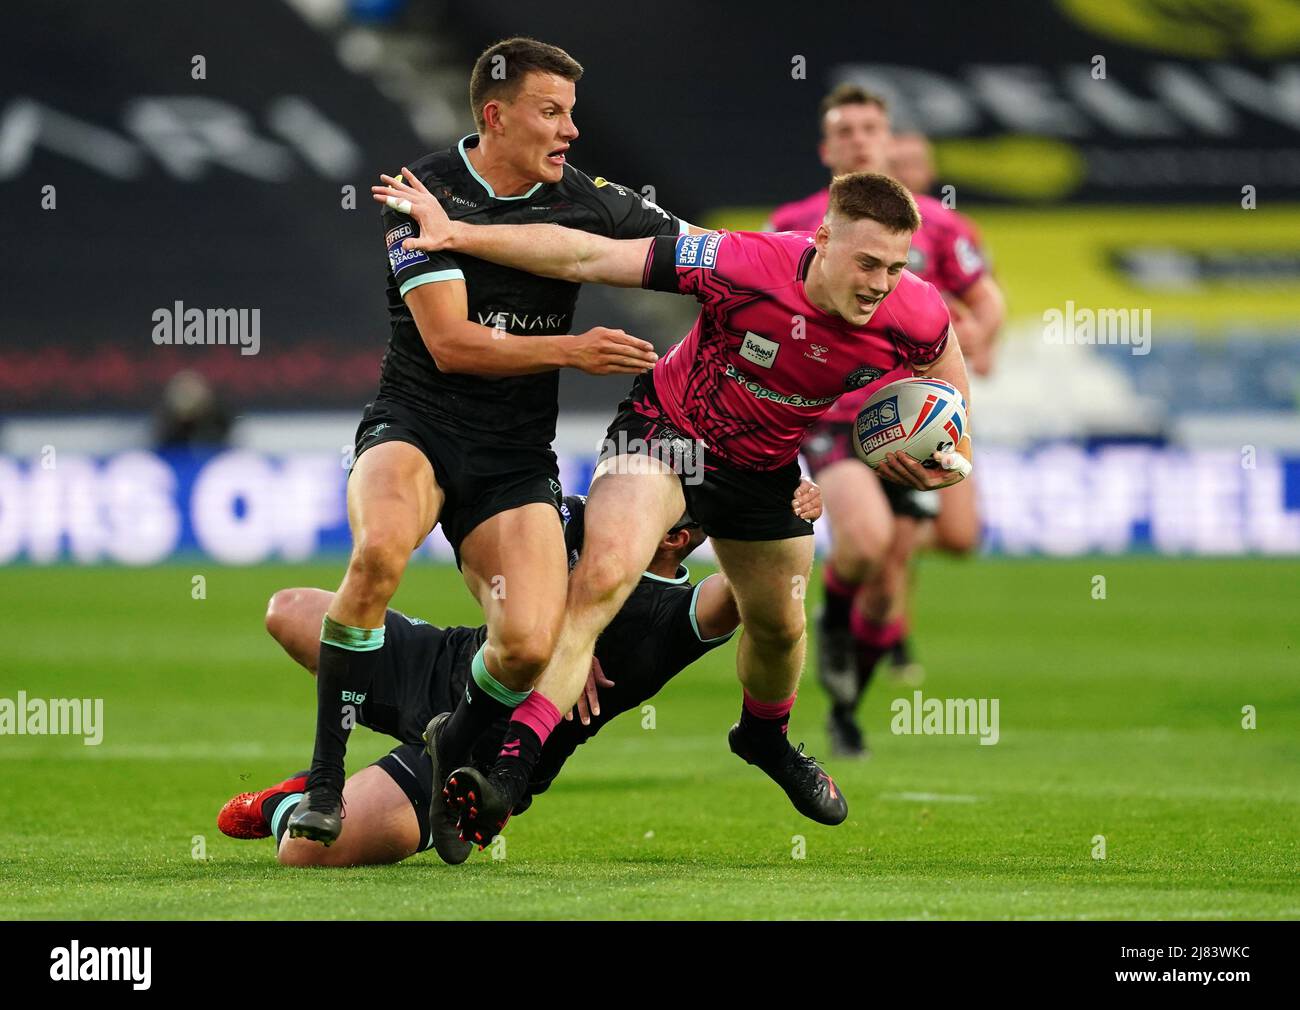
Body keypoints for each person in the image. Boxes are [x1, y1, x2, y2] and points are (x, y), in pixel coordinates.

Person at [371, 167, 972, 842]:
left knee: (779, 625)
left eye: (894, 266)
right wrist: (458, 234)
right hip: (665, 434)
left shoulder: (915, 310)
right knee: (600, 578)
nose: (879, 283)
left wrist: (944, 452)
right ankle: (510, 770)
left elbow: (945, 371)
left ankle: (763, 737)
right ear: (823, 238)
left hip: (762, 466)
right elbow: (588, 253)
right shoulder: (741, 262)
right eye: (866, 263)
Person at [289, 36, 703, 864]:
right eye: (551, 112)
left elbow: (702, 254)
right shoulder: (425, 193)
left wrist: (806, 278)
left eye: (573, 114)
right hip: (416, 428)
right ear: (495, 115)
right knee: (376, 553)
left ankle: (450, 750)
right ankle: (324, 782)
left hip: (513, 460)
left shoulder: (587, 201)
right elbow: (451, 344)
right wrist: (573, 350)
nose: (571, 131)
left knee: (524, 646)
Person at [218, 485, 823, 866]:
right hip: (453, 663)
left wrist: (790, 517)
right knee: (289, 611)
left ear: (674, 537)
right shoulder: (582, 521)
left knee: (304, 851)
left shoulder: (680, 614)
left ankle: (289, 800)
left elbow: (765, 595)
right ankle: (333, 772)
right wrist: (562, 643)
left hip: (478, 757)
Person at [769, 86, 1004, 755]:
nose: (860, 140)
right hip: (836, 414)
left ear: (887, 136)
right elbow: (762, 297)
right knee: (868, 544)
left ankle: (848, 705)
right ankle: (834, 619)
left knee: (904, 568)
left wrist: (979, 339)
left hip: (914, 413)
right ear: (827, 148)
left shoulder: (937, 224)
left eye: (871, 127)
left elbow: (987, 300)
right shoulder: (796, 219)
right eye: (845, 130)